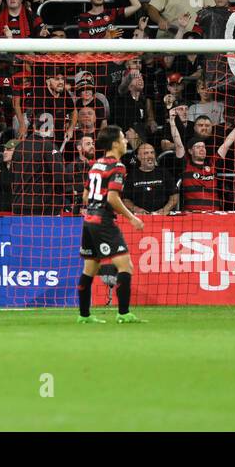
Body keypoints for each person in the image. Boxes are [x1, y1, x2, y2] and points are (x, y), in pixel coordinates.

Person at [77, 127, 144, 324]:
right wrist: (132, 217)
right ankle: (123, 314)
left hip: (89, 221)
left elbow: (85, 196)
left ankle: (84, 316)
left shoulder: (96, 164)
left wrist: (93, 207)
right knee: (126, 266)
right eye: (123, 138)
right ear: (115, 143)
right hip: (103, 222)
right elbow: (113, 198)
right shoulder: (118, 167)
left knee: (89, 269)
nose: (125, 142)